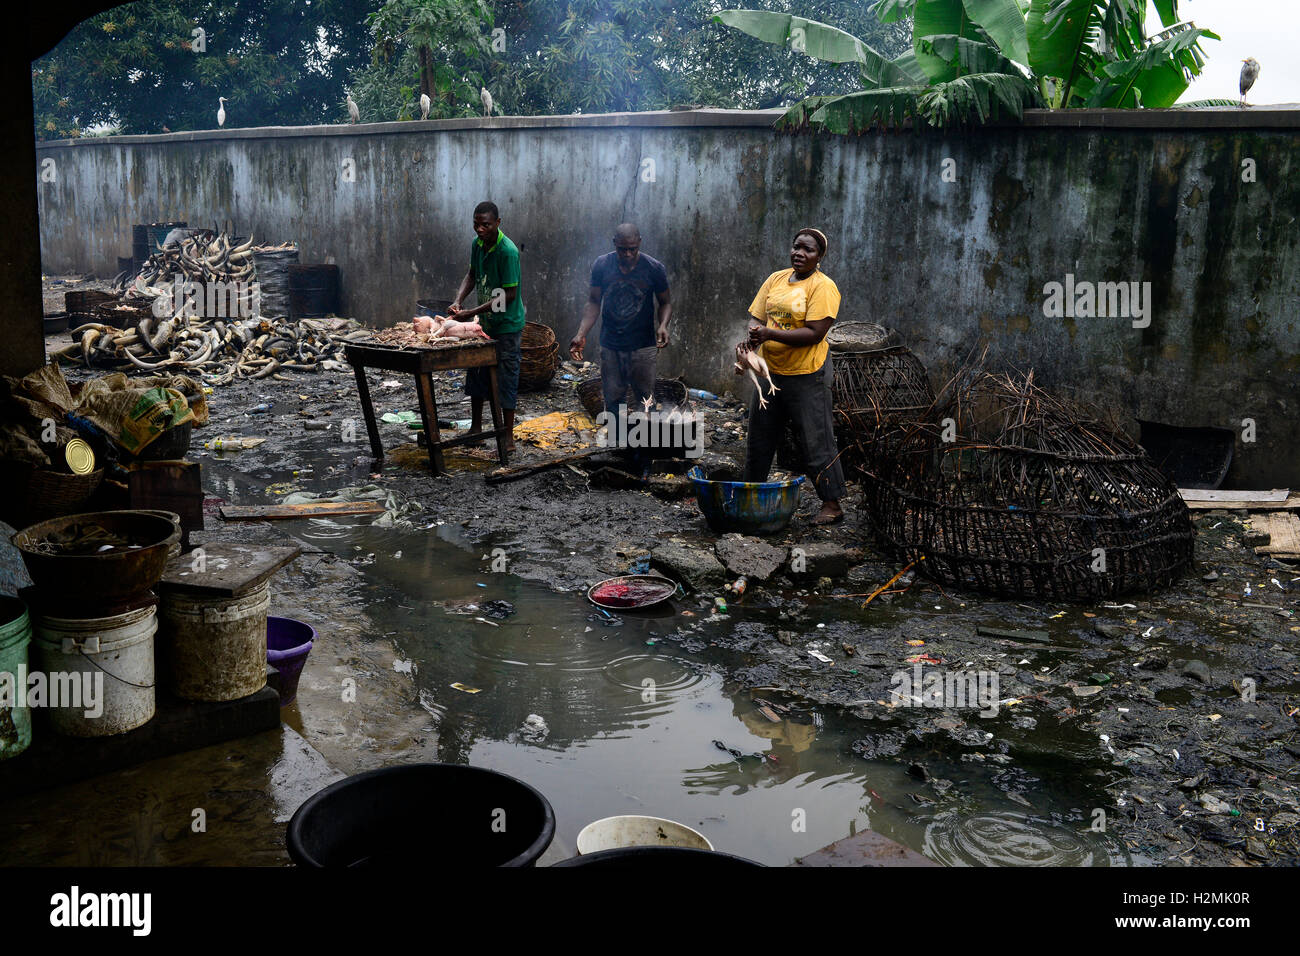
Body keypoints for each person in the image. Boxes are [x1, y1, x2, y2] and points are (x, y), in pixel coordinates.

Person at [741, 227, 846, 525]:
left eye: (808, 250)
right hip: (770, 372)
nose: (800, 253)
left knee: (817, 439)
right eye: (796, 246)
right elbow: (757, 316)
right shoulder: (776, 279)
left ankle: (832, 504)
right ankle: (751, 493)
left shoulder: (823, 287)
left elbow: (815, 333)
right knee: (760, 436)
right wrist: (751, 339)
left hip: (806, 373)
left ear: (819, 257)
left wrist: (770, 333)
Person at [569, 223, 672, 474]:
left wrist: (663, 325)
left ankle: (643, 456)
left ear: (640, 243)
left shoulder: (654, 268)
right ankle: (617, 451)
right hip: (611, 344)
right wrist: (581, 334)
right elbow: (593, 301)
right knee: (612, 399)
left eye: (632, 249)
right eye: (622, 249)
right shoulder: (602, 265)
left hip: (643, 346)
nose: (627, 255)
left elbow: (666, 302)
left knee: (644, 400)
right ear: (614, 243)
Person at [449, 201, 524, 453]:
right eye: (476, 224)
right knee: (477, 373)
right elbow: (471, 275)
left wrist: (472, 312)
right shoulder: (477, 245)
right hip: (485, 324)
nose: (480, 229)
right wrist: (459, 301)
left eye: (486, 225)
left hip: (506, 325)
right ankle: (477, 429)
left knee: (506, 378)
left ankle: (507, 438)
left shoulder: (508, 251)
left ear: (498, 223)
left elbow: (509, 295)